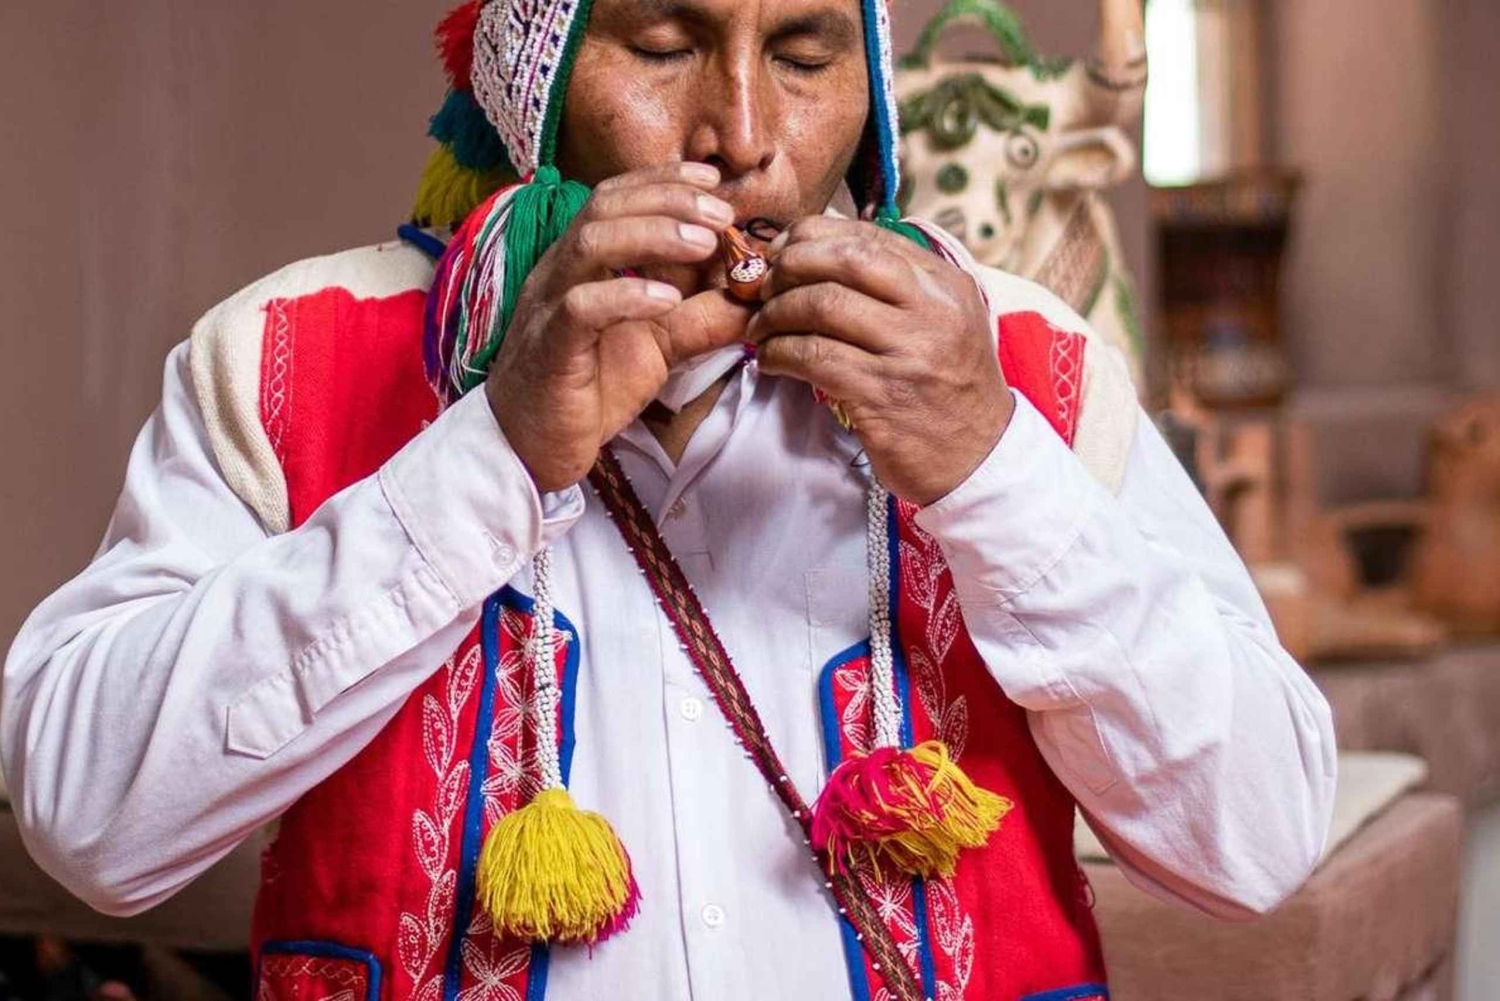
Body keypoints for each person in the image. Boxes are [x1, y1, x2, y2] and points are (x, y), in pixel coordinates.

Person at [1, 1, 1336, 999]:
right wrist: (494, 455)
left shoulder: (1022, 371)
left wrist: (988, 465)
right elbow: (87, 820)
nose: (744, 140)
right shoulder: (291, 358)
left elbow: (1261, 838)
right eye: (659, 42)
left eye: (805, 55)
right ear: (534, 85)